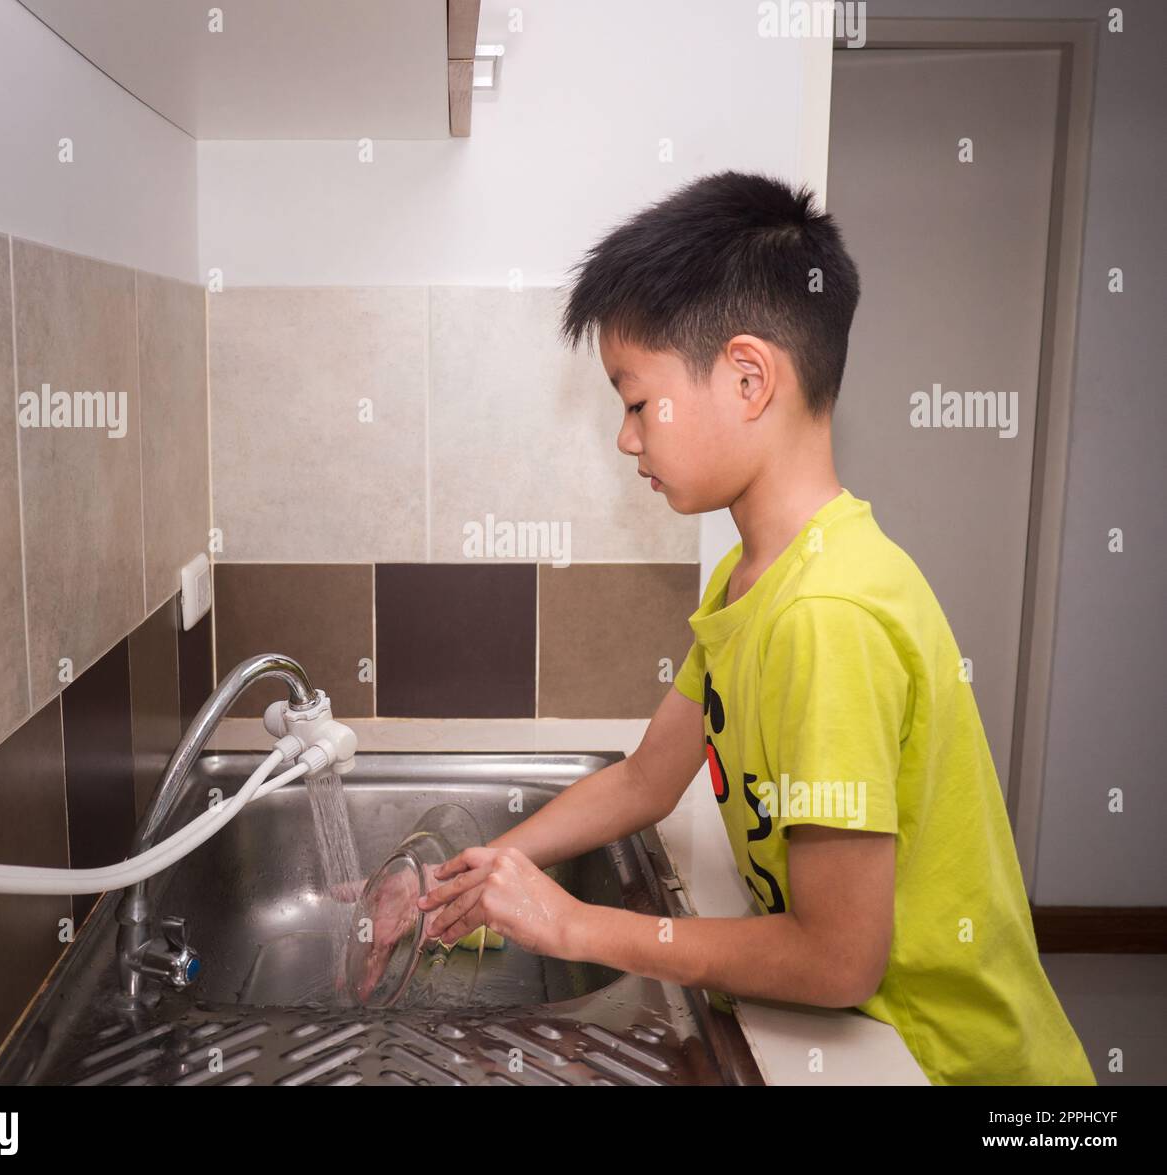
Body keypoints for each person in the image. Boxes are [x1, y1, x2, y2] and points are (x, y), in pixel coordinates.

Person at [416, 171, 1096, 1086]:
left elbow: (837, 959)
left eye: (633, 398)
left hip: (948, 1068)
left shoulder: (827, 618)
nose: (626, 439)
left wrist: (575, 925)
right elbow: (650, 778)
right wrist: (484, 870)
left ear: (746, 378)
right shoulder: (761, 577)